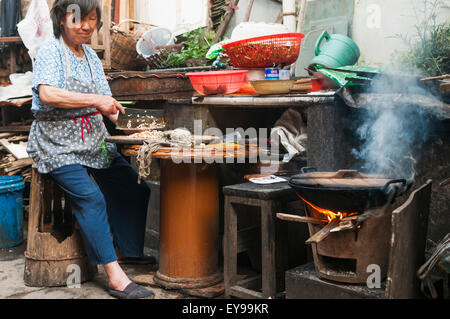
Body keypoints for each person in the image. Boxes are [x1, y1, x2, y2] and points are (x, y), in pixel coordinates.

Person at [27, 0, 155, 299]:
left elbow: (107, 102)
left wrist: (130, 125)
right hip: (57, 144)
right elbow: (47, 93)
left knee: (136, 187)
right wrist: (95, 101)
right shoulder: (51, 51)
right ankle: (115, 278)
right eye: (78, 19)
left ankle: (126, 251)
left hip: (93, 143)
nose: (86, 26)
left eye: (92, 19)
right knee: (92, 198)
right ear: (61, 18)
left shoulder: (90, 58)